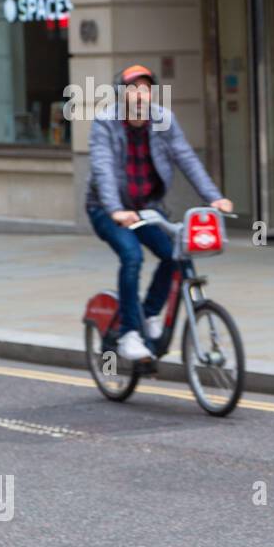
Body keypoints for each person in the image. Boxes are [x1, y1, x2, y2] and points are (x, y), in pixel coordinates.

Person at [85, 65, 232, 362]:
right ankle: (128, 334)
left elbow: (186, 157)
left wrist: (214, 198)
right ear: (121, 94)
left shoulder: (163, 120)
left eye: (145, 88)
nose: (140, 95)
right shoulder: (105, 123)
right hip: (106, 209)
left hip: (147, 209)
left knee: (176, 254)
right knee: (132, 257)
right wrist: (115, 210)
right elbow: (103, 169)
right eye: (133, 88)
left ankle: (150, 313)